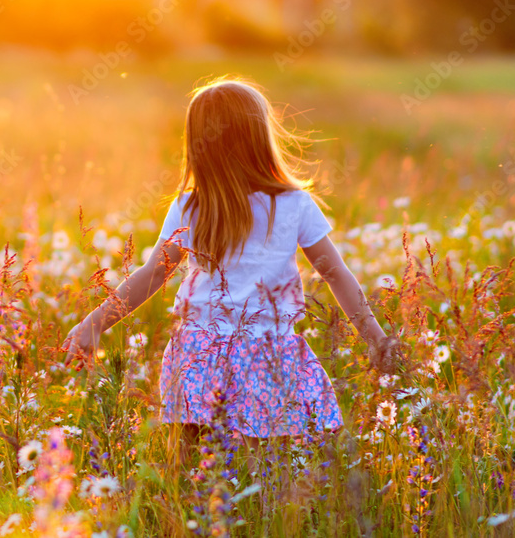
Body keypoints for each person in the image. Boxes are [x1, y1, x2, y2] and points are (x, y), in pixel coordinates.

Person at [60, 77, 405, 456]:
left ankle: (193, 517)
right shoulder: (292, 204)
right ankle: (265, 516)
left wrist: (93, 323)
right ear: (260, 137)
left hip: (197, 352)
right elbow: (335, 273)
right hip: (268, 353)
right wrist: (376, 337)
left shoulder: (191, 206)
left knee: (192, 469)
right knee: (267, 468)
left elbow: (153, 274)